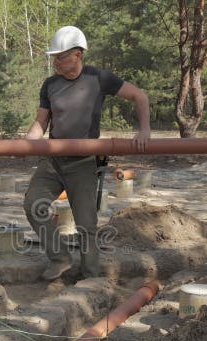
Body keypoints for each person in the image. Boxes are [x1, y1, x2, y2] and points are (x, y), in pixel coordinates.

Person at [24, 25, 151, 281]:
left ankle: (91, 278)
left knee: (86, 225)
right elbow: (41, 122)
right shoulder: (50, 84)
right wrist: (28, 141)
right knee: (33, 204)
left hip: (83, 162)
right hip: (53, 160)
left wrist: (144, 130)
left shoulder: (98, 78)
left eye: (60, 56)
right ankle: (60, 258)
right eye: (54, 57)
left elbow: (139, 95)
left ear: (78, 55)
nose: (56, 62)